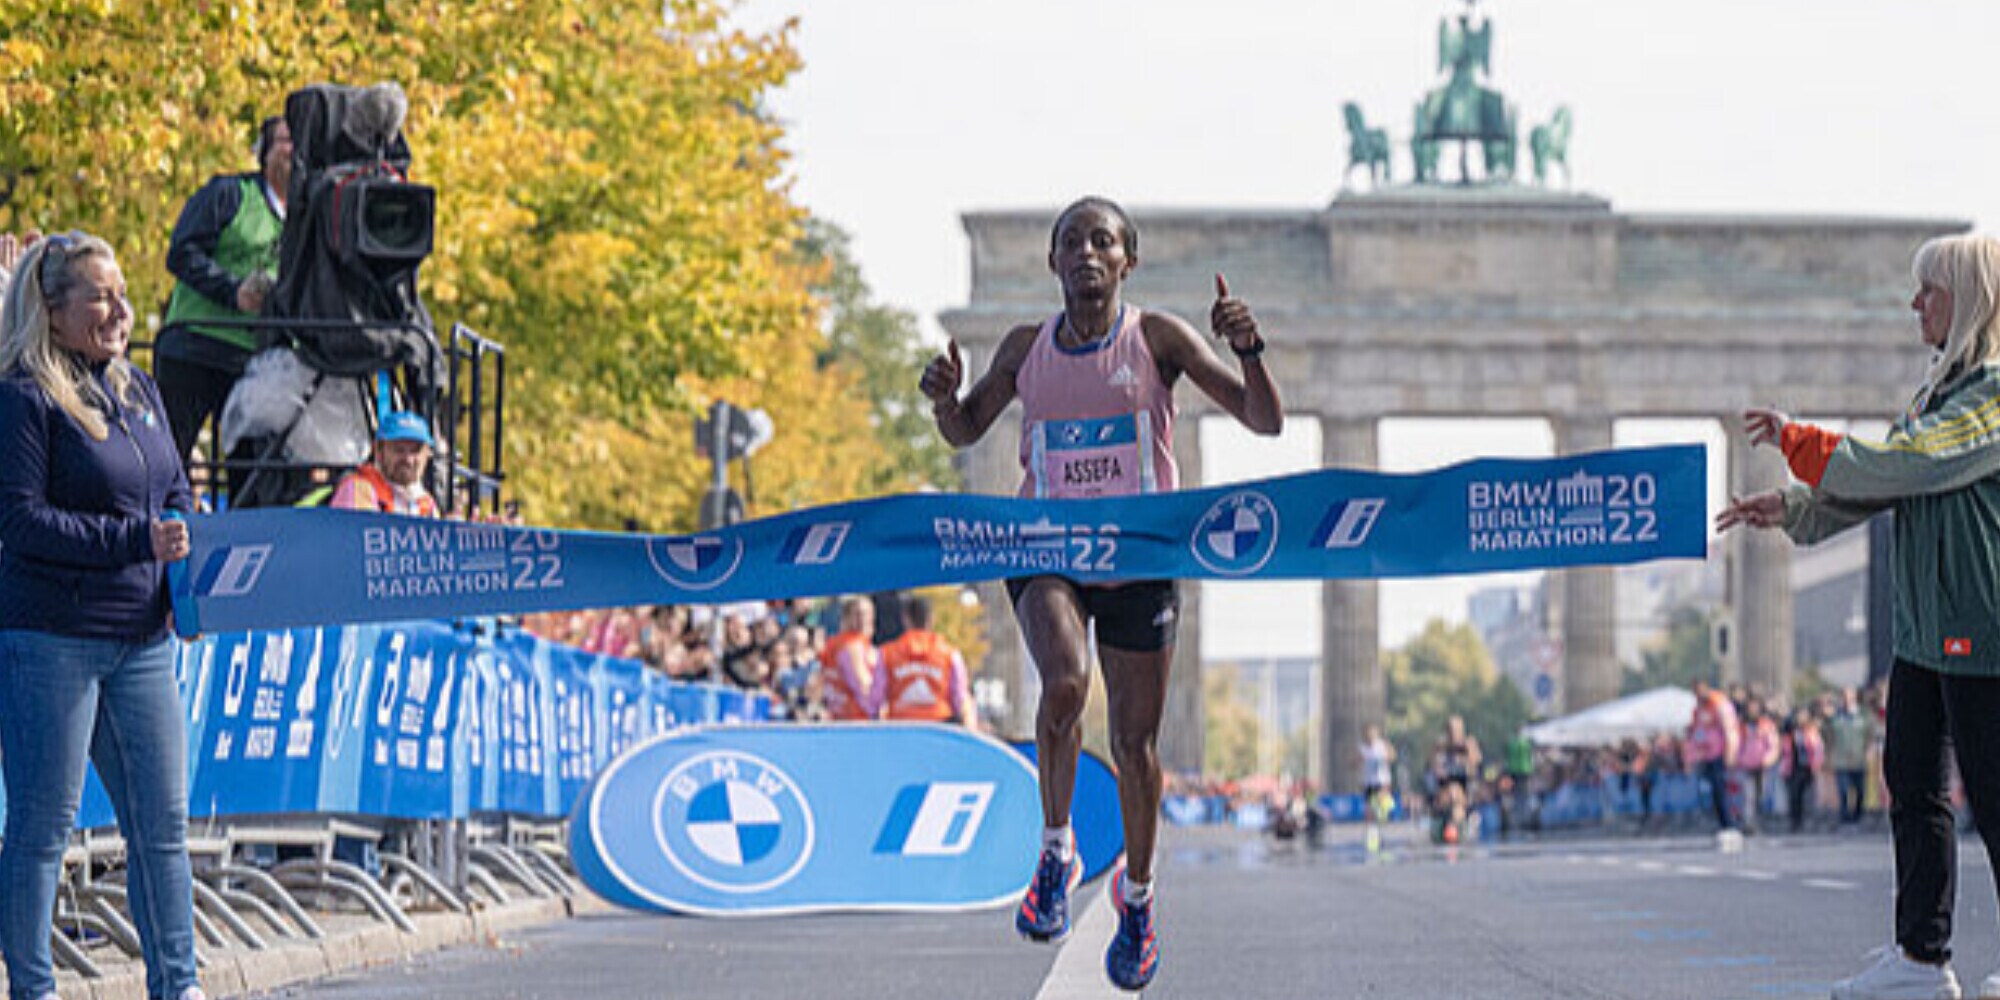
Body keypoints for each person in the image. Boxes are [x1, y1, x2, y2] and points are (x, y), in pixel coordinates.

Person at [921, 196, 1281, 991]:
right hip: (1047, 547)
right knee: (1063, 684)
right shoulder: (1024, 348)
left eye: (1103, 241)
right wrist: (945, 398)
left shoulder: (1158, 338)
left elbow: (1263, 420)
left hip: (1139, 556)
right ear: (1052, 262)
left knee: (1133, 746)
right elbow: (966, 431)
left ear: (1128, 262)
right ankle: (1056, 852)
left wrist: (1249, 348)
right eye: (1072, 241)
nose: (1087, 252)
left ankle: (1139, 898)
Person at [1718, 233, 2000, 1000]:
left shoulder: (1993, 397)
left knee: (1994, 793)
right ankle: (1920, 956)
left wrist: (1802, 442)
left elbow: (1911, 465)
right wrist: (1794, 507)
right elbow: (1888, 484)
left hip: (1981, 622)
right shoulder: (1936, 394)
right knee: (1912, 786)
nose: (1915, 304)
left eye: (1929, 290)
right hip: (1925, 627)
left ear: (1970, 298)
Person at [0, 233, 206, 1000]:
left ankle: (177, 985)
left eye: (123, 293)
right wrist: (136, 540)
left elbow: (175, 489)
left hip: (144, 640)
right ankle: (32, 987)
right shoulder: (24, 396)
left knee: (163, 829)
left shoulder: (139, 391)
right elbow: (20, 522)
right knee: (42, 829)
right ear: (53, 313)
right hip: (52, 639)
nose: (120, 310)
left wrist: (190, 527)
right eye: (100, 295)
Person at [155, 114, 292, 464]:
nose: (295, 150)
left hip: (253, 360)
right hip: (194, 344)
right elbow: (181, 253)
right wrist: (233, 291)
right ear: (264, 152)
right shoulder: (230, 194)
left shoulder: (307, 221)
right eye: (285, 140)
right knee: (170, 459)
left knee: (250, 468)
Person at [878, 595, 981, 730]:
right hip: (939, 729)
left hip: (900, 728)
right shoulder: (949, 654)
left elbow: (875, 701)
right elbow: (959, 699)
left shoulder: (887, 653)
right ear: (931, 619)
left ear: (905, 619)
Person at [326, 411, 439, 516]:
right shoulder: (358, 489)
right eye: (399, 450)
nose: (408, 459)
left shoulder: (427, 503)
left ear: (427, 455)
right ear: (378, 451)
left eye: (415, 451)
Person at [1685, 679, 1741, 835]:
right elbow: (1695, 733)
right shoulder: (1698, 709)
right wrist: (1692, 757)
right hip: (1705, 756)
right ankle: (1722, 823)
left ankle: (1730, 823)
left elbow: (1730, 729)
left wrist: (1730, 752)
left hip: (1720, 754)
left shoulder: (1719, 703)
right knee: (1712, 791)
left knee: (1722, 789)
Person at [820, 596, 882, 722]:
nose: (864, 619)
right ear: (846, 618)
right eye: (859, 614)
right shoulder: (853, 645)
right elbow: (863, 686)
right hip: (857, 720)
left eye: (868, 614)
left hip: (836, 717)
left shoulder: (832, 645)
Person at [1429, 716, 1482, 845]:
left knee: (1456, 795)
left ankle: (1459, 826)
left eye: (1457, 730)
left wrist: (1467, 751)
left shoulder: (1468, 745)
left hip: (1464, 792)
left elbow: (1476, 763)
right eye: (1450, 730)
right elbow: (1432, 768)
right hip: (1444, 791)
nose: (1453, 734)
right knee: (1450, 792)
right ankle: (1444, 825)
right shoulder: (1441, 748)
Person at [1826, 687, 1874, 826]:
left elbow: (1870, 735)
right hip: (1841, 760)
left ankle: (1857, 815)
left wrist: (1869, 750)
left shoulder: (1864, 716)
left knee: (1859, 790)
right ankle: (1845, 818)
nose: (1846, 700)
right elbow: (1827, 735)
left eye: (1849, 696)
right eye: (1844, 697)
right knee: (1843, 790)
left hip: (1859, 759)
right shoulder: (1836, 717)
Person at [1782, 707, 1824, 834]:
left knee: (1808, 796)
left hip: (1808, 768)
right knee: (1794, 796)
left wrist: (1816, 765)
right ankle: (1795, 821)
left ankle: (1807, 820)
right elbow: (1785, 749)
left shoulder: (1812, 732)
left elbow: (1818, 749)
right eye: (1799, 716)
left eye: (1803, 716)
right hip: (1793, 768)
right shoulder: (1790, 733)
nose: (1801, 719)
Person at [1359, 723, 1397, 854]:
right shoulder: (1362, 748)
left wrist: (1387, 755)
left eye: (1372, 734)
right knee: (1369, 811)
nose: (1370, 737)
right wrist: (1360, 760)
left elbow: (1393, 757)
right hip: (1369, 783)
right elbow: (1353, 762)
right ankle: (1372, 834)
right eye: (1367, 735)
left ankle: (1382, 824)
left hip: (1382, 782)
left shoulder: (1382, 746)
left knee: (1381, 807)